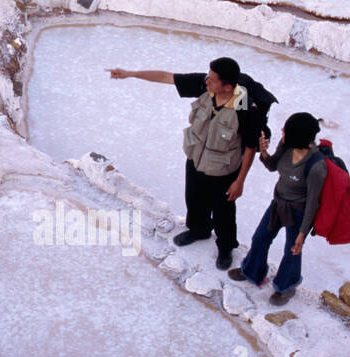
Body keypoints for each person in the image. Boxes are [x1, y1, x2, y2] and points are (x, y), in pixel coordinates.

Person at [107, 57, 264, 270]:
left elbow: (250, 147)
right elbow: (166, 77)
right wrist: (131, 73)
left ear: (228, 86)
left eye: (213, 79)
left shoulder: (245, 108)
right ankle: (199, 230)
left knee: (223, 213)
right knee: (195, 200)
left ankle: (225, 247)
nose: (207, 80)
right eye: (208, 75)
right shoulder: (205, 84)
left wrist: (240, 181)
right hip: (196, 161)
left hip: (223, 172)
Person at [228, 112, 325, 306]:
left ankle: (286, 286)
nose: (282, 131)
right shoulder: (286, 145)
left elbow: (313, 204)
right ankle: (252, 271)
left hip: (298, 211)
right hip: (278, 203)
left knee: (293, 250)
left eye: (286, 130)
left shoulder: (316, 167)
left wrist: (302, 234)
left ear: (297, 136)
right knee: (261, 237)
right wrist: (264, 152)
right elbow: (272, 166)